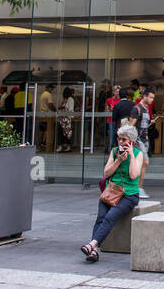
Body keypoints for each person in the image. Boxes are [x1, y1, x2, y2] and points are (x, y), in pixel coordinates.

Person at [80, 125, 144, 262]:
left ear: (131, 141)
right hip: (111, 191)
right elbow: (106, 173)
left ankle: (92, 245)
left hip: (129, 194)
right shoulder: (115, 152)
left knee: (110, 216)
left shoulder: (138, 154)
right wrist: (118, 160)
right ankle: (94, 251)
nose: (120, 142)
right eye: (119, 139)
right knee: (101, 217)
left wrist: (131, 155)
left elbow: (134, 175)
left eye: (124, 139)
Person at [56, 87, 76, 153]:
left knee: (65, 133)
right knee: (64, 133)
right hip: (64, 119)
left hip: (66, 119)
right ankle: (64, 146)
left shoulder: (70, 99)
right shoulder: (66, 100)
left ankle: (66, 146)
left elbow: (70, 109)